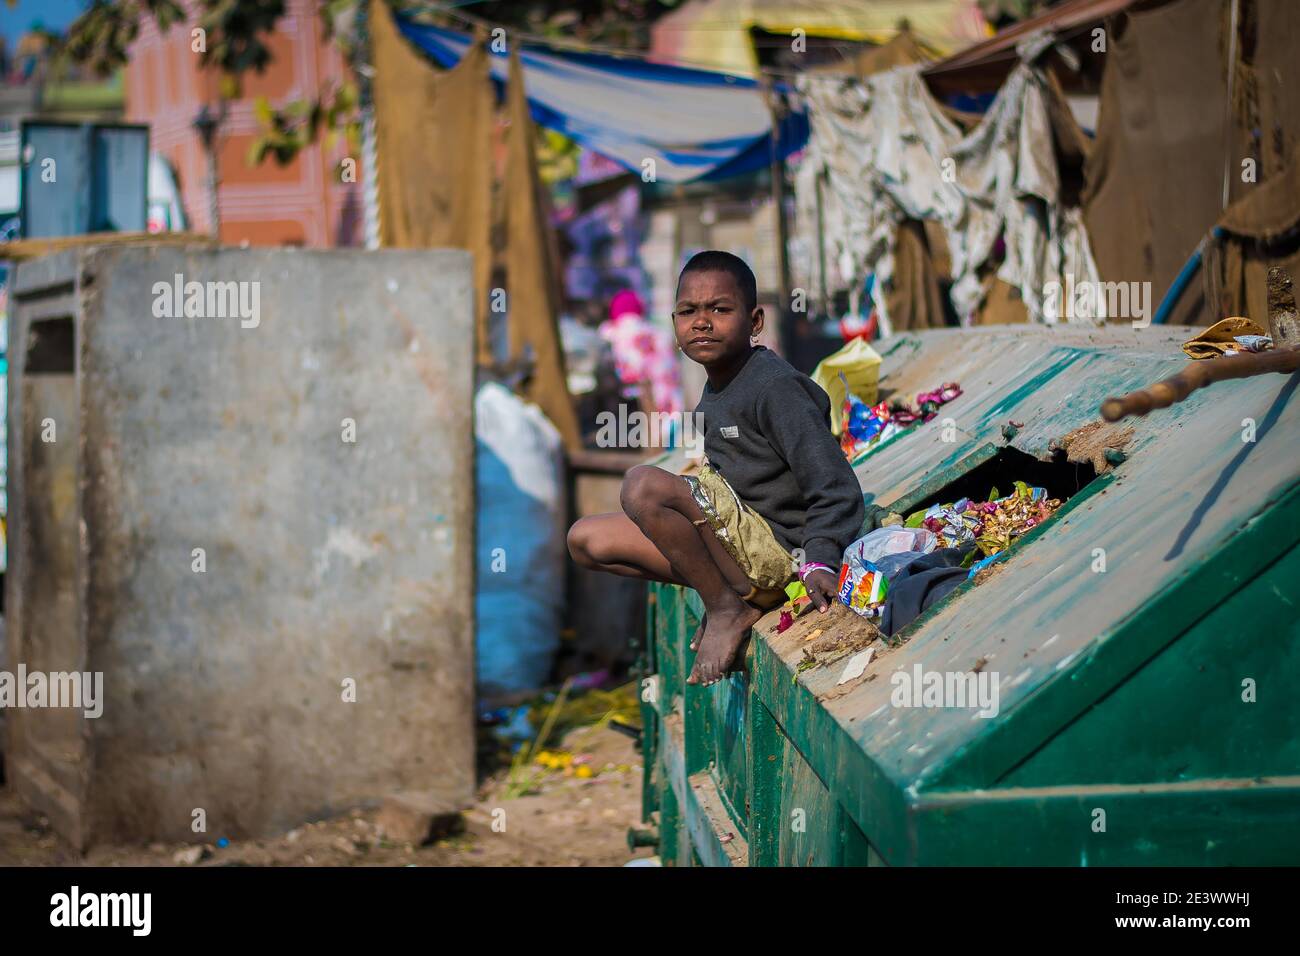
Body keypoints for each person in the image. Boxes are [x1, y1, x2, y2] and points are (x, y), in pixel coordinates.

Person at [568, 251, 865, 686]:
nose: (702, 322)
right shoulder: (716, 386)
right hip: (738, 549)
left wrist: (819, 558)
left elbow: (834, 484)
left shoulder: (774, 387)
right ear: (673, 322)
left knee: (642, 485)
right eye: (688, 311)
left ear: (755, 321)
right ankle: (725, 597)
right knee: (584, 540)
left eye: (720, 310)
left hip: (783, 554)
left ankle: (727, 608)